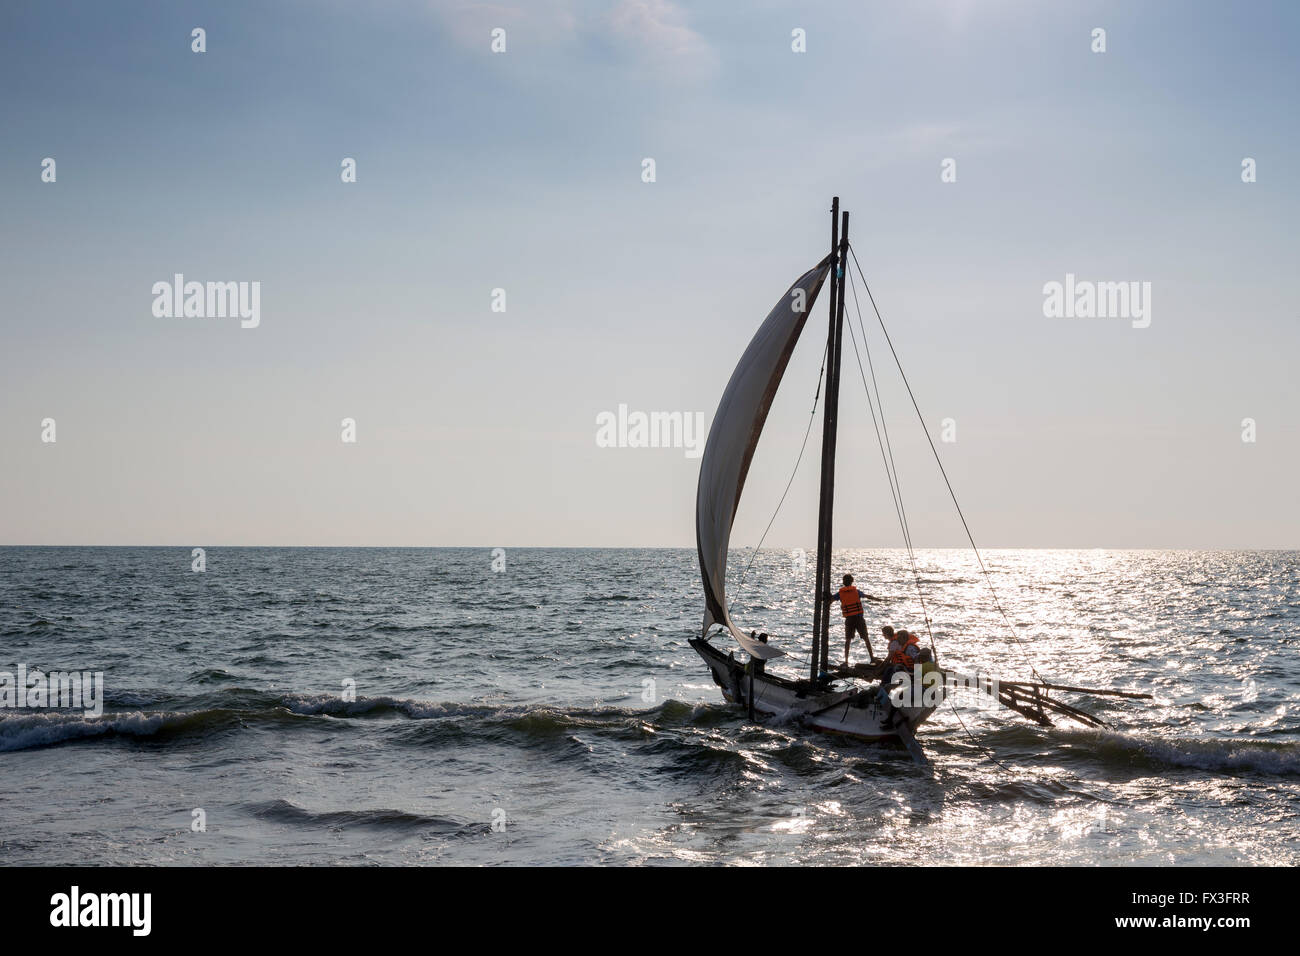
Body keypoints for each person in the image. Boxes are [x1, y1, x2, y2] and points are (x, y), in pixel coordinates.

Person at [826, 574, 880, 665]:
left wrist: (827, 601)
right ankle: (872, 658)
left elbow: (831, 600)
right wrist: (876, 599)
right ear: (852, 581)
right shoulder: (856, 591)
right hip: (859, 618)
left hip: (849, 619)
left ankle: (846, 661)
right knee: (866, 638)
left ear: (843, 582)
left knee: (848, 640)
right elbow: (867, 596)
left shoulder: (840, 593)